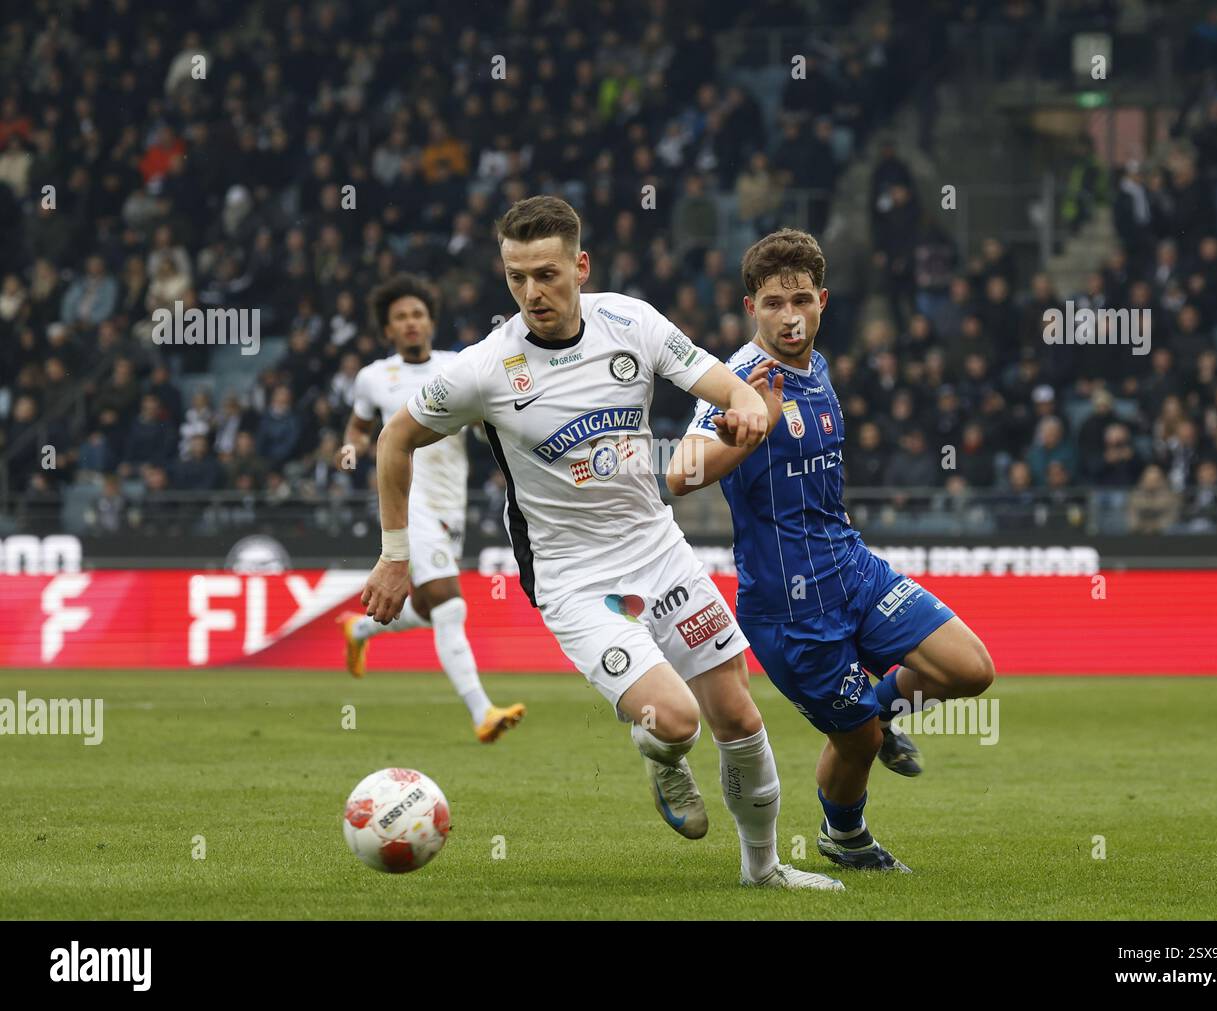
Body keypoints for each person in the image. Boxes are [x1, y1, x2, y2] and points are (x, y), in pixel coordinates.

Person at [360, 196, 841, 890]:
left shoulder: (632, 322)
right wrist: (394, 552)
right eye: (517, 277)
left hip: (656, 547)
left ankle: (762, 871)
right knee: (675, 721)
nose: (533, 292)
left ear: (580, 267)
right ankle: (665, 758)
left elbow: (721, 382)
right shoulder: (486, 367)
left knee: (736, 708)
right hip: (573, 577)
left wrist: (741, 408)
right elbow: (395, 437)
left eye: (547, 274)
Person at [668, 228, 997, 873]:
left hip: (851, 567)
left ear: (822, 300)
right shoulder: (740, 379)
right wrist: (749, 428)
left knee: (969, 668)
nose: (788, 317)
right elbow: (680, 471)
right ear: (750, 309)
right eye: (771, 303)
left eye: (799, 300)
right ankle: (845, 837)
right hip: (791, 609)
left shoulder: (816, 367)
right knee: (859, 741)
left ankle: (875, 710)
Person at [338, 273, 525, 744]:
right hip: (408, 501)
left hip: (450, 503)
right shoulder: (373, 377)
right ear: (388, 330)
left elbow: (485, 417)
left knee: (426, 605)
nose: (410, 323)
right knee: (450, 602)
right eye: (400, 317)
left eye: (417, 314)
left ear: (431, 321)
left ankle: (359, 630)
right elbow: (358, 427)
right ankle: (482, 712)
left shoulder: (457, 365)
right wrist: (351, 449)